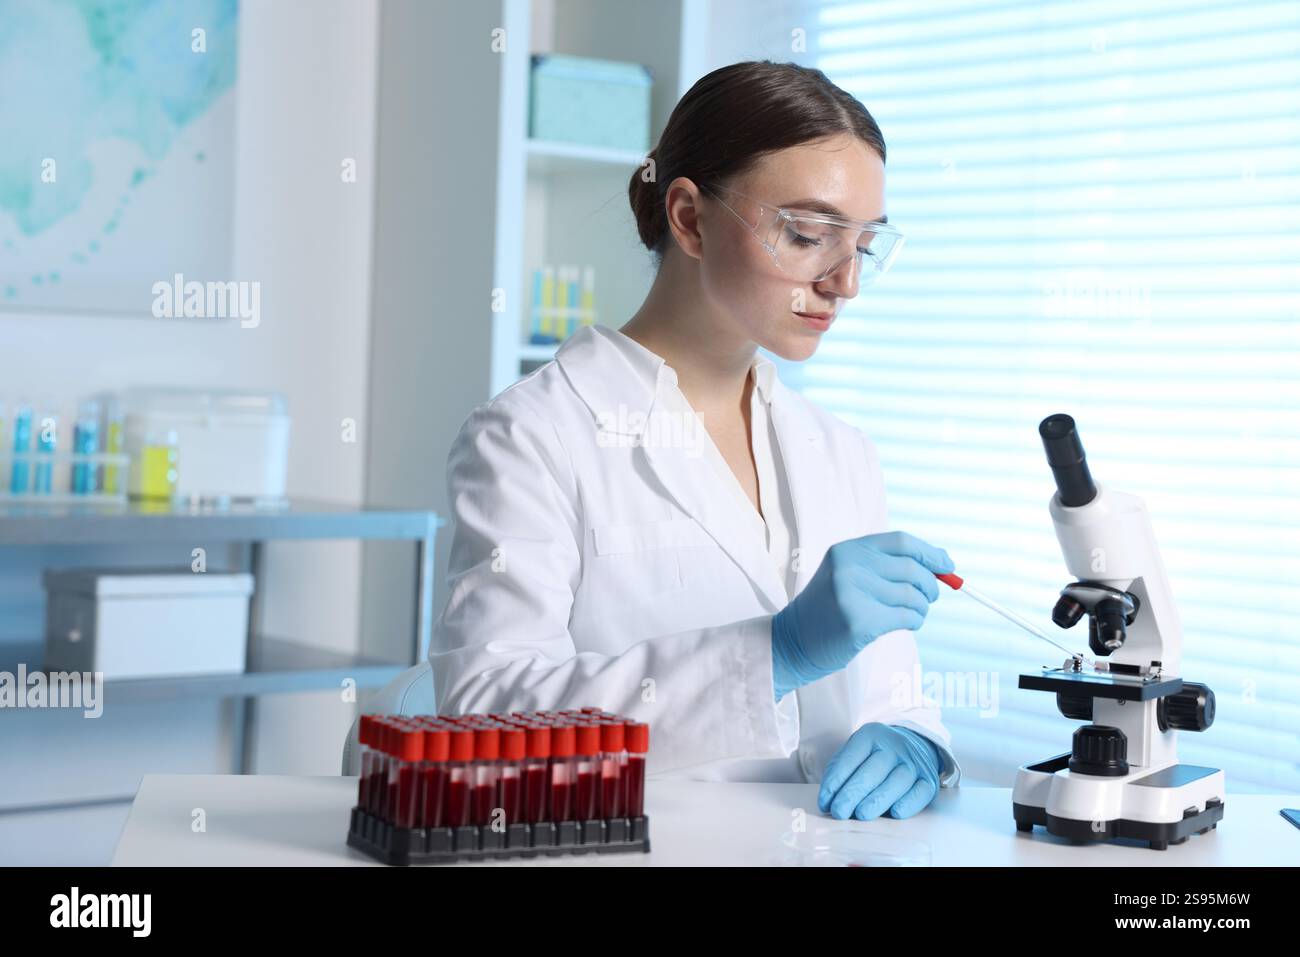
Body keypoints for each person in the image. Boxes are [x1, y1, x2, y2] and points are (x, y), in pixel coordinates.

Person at [430, 60, 961, 821]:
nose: (843, 282)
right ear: (689, 218)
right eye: (808, 234)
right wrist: (770, 655)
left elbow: (893, 697)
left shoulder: (842, 453)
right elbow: (484, 719)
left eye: (864, 246)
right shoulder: (532, 436)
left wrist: (915, 741)